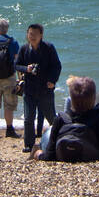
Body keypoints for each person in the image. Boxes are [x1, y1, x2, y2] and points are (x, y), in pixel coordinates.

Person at [38, 76, 99, 162]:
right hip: (95, 155)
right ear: (94, 98)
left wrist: (38, 154)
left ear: (71, 99)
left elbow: (49, 156)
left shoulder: (61, 119)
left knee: (47, 133)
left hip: (65, 152)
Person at [15, 24, 61, 154]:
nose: (32, 36)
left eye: (35, 34)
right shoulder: (24, 49)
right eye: (30, 34)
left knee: (51, 117)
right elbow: (16, 65)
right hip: (29, 89)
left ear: (41, 35)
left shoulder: (49, 48)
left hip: (45, 89)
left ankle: (58, 139)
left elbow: (57, 66)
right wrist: (26, 69)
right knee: (28, 118)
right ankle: (29, 145)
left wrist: (52, 81)